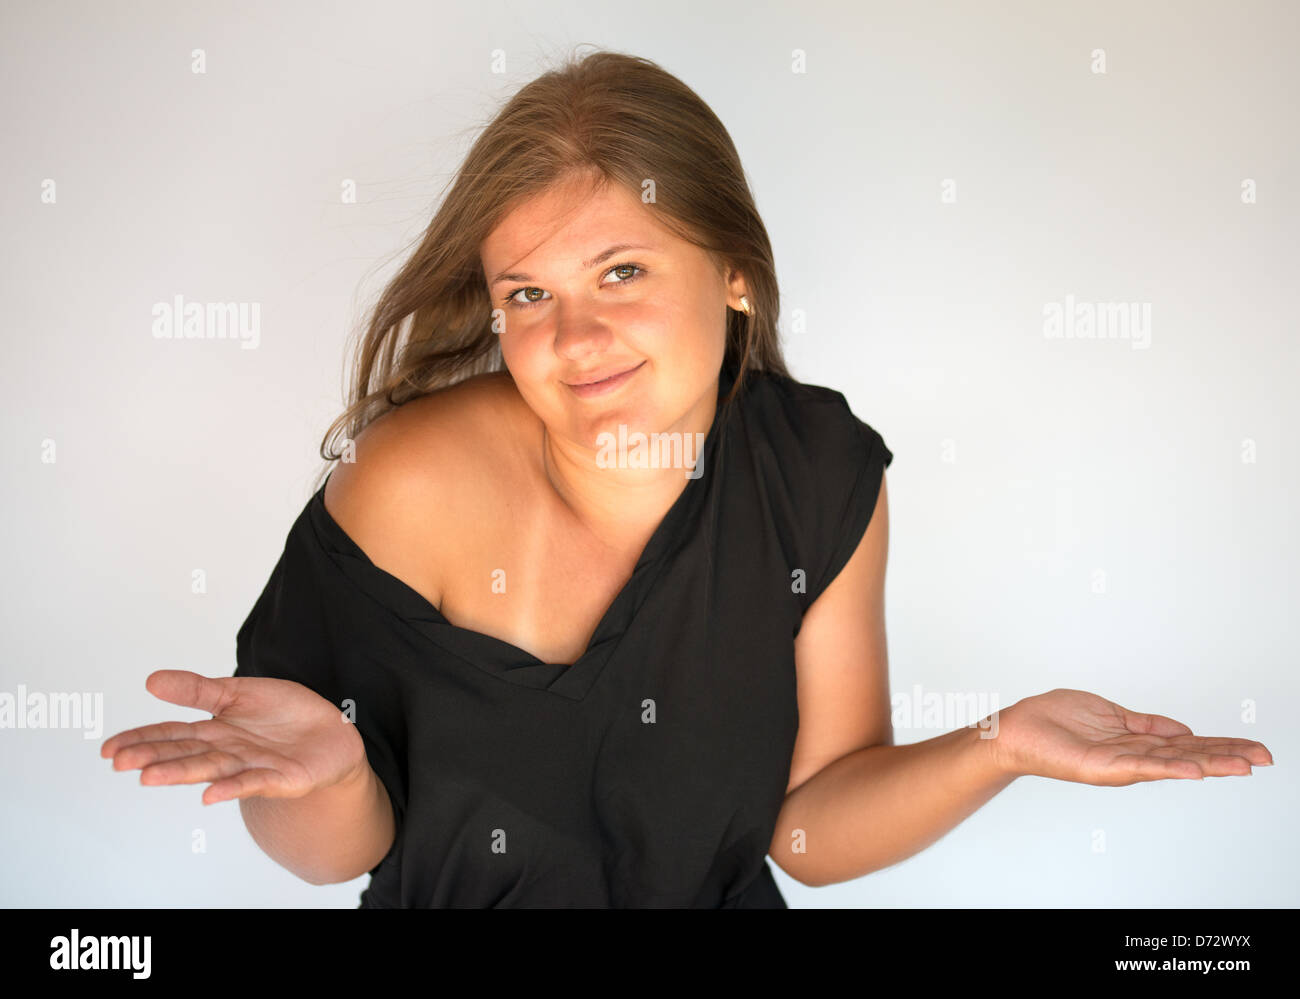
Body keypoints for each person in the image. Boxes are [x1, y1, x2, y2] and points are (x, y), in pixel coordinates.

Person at [100, 49, 1272, 907]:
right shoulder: (408, 480)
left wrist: (1000, 746)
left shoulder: (814, 472)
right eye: (527, 294)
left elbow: (807, 837)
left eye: (620, 271)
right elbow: (333, 852)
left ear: (734, 278)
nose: (572, 337)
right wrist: (328, 780)